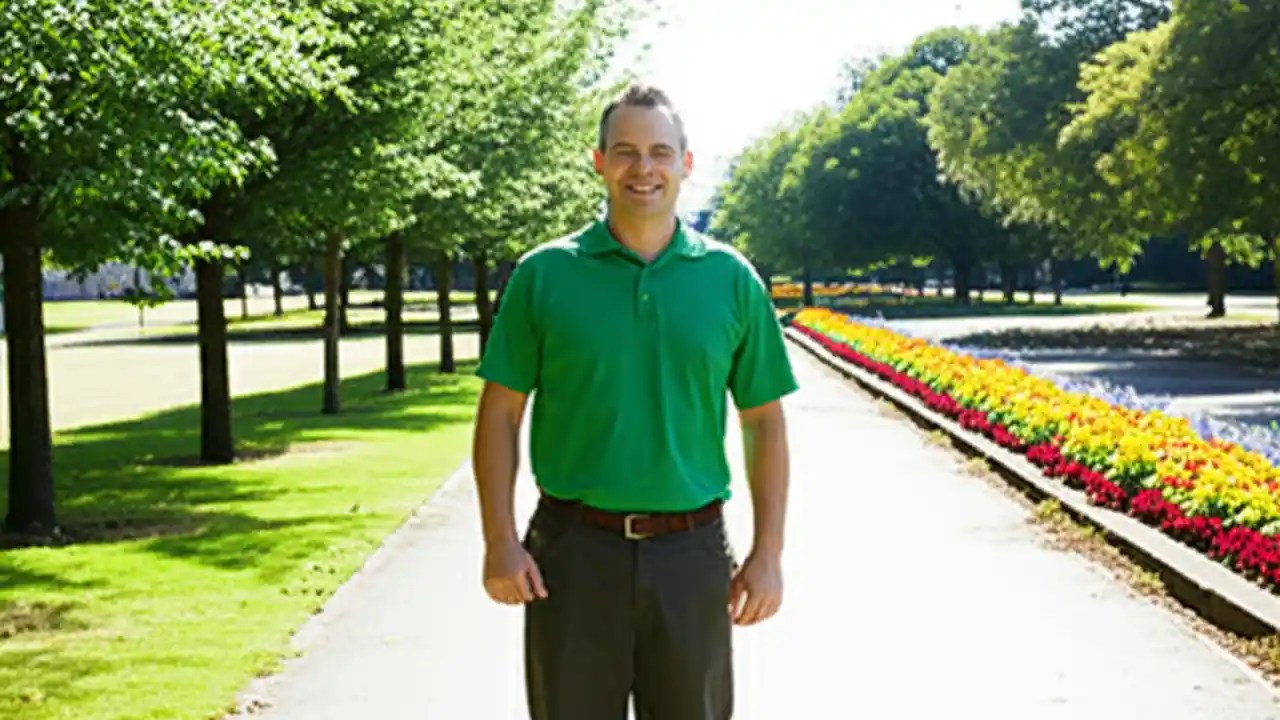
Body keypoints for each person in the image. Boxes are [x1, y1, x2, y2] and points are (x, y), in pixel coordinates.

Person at [470, 83, 798, 720]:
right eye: (624, 151)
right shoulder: (544, 274)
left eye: (659, 152)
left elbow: (765, 423)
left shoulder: (731, 279)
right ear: (598, 162)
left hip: (692, 555)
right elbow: (500, 413)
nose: (642, 168)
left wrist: (768, 554)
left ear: (685, 163)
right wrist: (499, 542)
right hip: (570, 552)